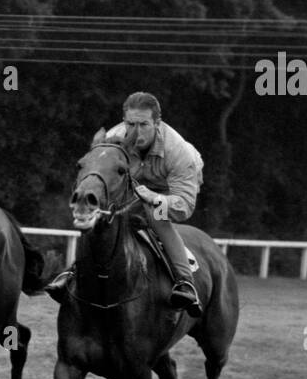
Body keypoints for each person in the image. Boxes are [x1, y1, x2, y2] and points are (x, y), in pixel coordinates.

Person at [50, 91, 205, 316]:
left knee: (156, 215)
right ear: (124, 122)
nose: (136, 132)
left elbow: (184, 207)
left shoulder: (179, 153)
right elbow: (99, 176)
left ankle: (184, 282)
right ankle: (75, 271)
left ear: (157, 123)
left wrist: (154, 198)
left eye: (143, 124)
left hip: (170, 190)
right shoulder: (114, 138)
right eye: (131, 124)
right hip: (133, 183)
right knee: (105, 215)